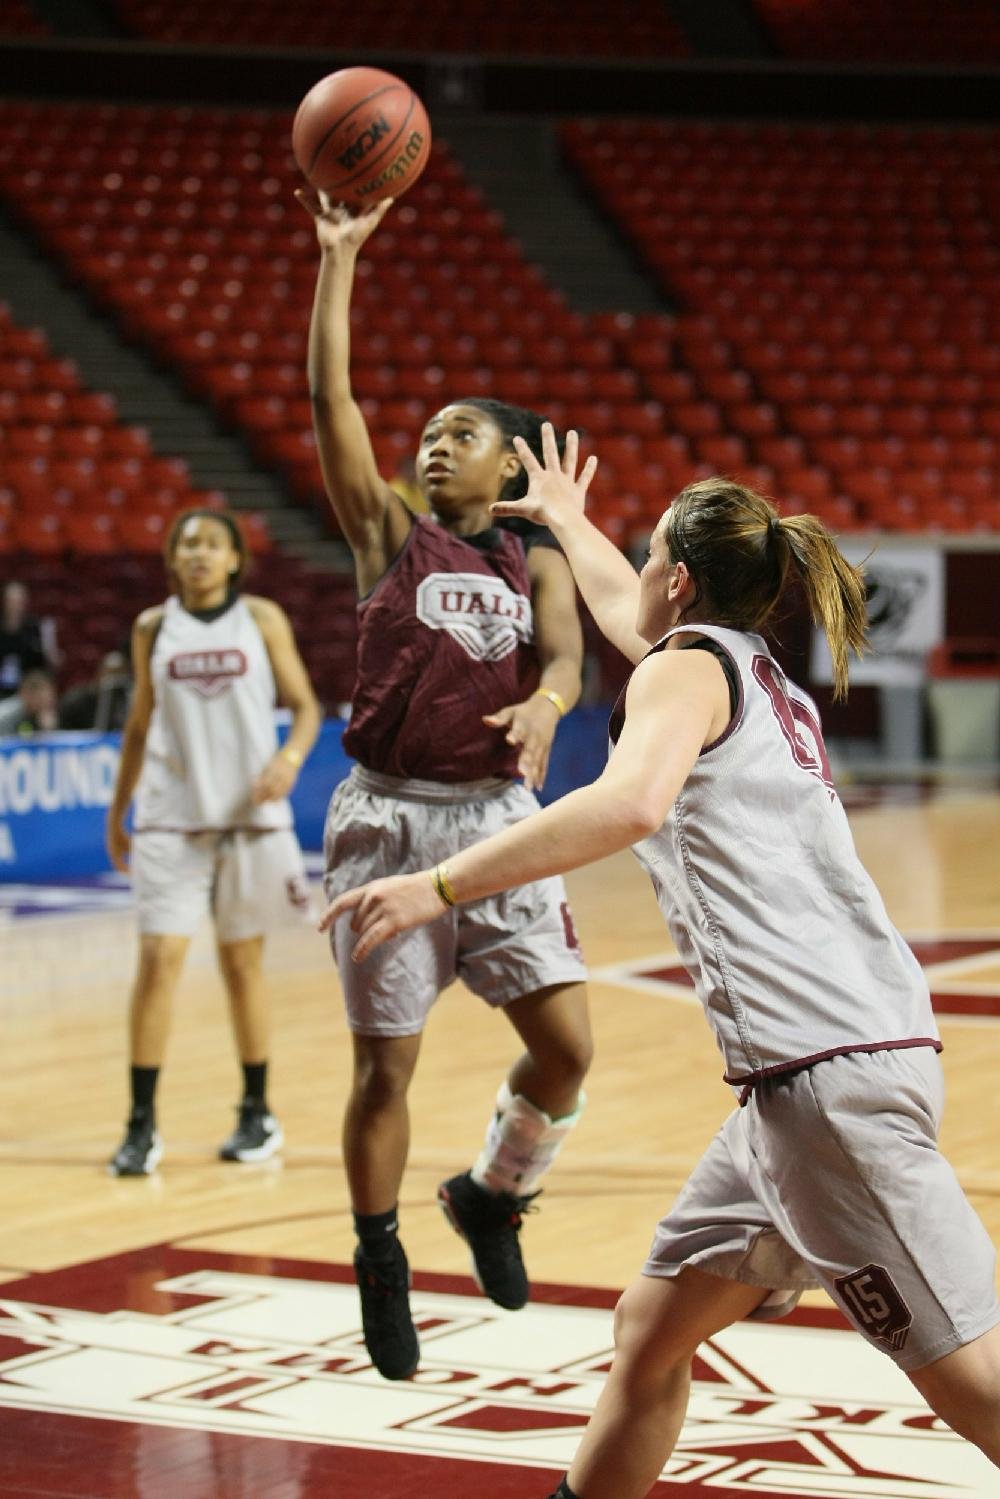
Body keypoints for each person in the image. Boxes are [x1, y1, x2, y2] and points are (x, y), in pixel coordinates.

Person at [323, 427, 1000, 1493]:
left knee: (972, 1379)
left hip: (829, 1085)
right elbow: (626, 608)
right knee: (650, 1329)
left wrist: (437, 883)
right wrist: (565, 519)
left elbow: (628, 800)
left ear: (677, 580)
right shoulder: (745, 667)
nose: (625, 576)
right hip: (805, 1083)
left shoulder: (684, 672)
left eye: (642, 559)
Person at [298, 189, 592, 1382]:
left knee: (566, 1049)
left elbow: (568, 653)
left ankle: (489, 1193)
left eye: (459, 430)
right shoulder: (383, 536)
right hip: (387, 818)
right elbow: (331, 400)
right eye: (425, 428)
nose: (431, 441)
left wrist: (550, 701)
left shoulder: (539, 555)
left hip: (493, 818)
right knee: (386, 1065)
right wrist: (339, 263)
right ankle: (381, 1255)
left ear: (508, 463)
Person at [105, 507, 321, 1178]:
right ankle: (140, 1123)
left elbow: (308, 706)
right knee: (158, 961)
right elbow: (140, 722)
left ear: (234, 560)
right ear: (173, 560)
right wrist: (118, 811)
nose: (198, 553)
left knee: (240, 966)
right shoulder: (152, 626)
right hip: (172, 815)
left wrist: (288, 759)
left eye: (212, 544)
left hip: (248, 818)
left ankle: (256, 1109)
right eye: (186, 544)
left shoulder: (260, 619)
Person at [0, 581, 52, 698]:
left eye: (19, 601)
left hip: (26, 689)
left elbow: (40, 664)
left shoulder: (34, 628)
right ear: (4, 602)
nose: (15, 605)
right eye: (11, 601)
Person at [59, 648, 132, 731]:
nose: (115, 681)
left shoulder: (127, 700)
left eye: (121, 676)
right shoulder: (75, 701)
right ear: (99, 675)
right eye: (110, 675)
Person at [0, 667, 59, 736]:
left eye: (49, 698)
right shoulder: (4, 716)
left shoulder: (52, 712)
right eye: (40, 699)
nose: (47, 703)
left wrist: (48, 729)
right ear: (25, 695)